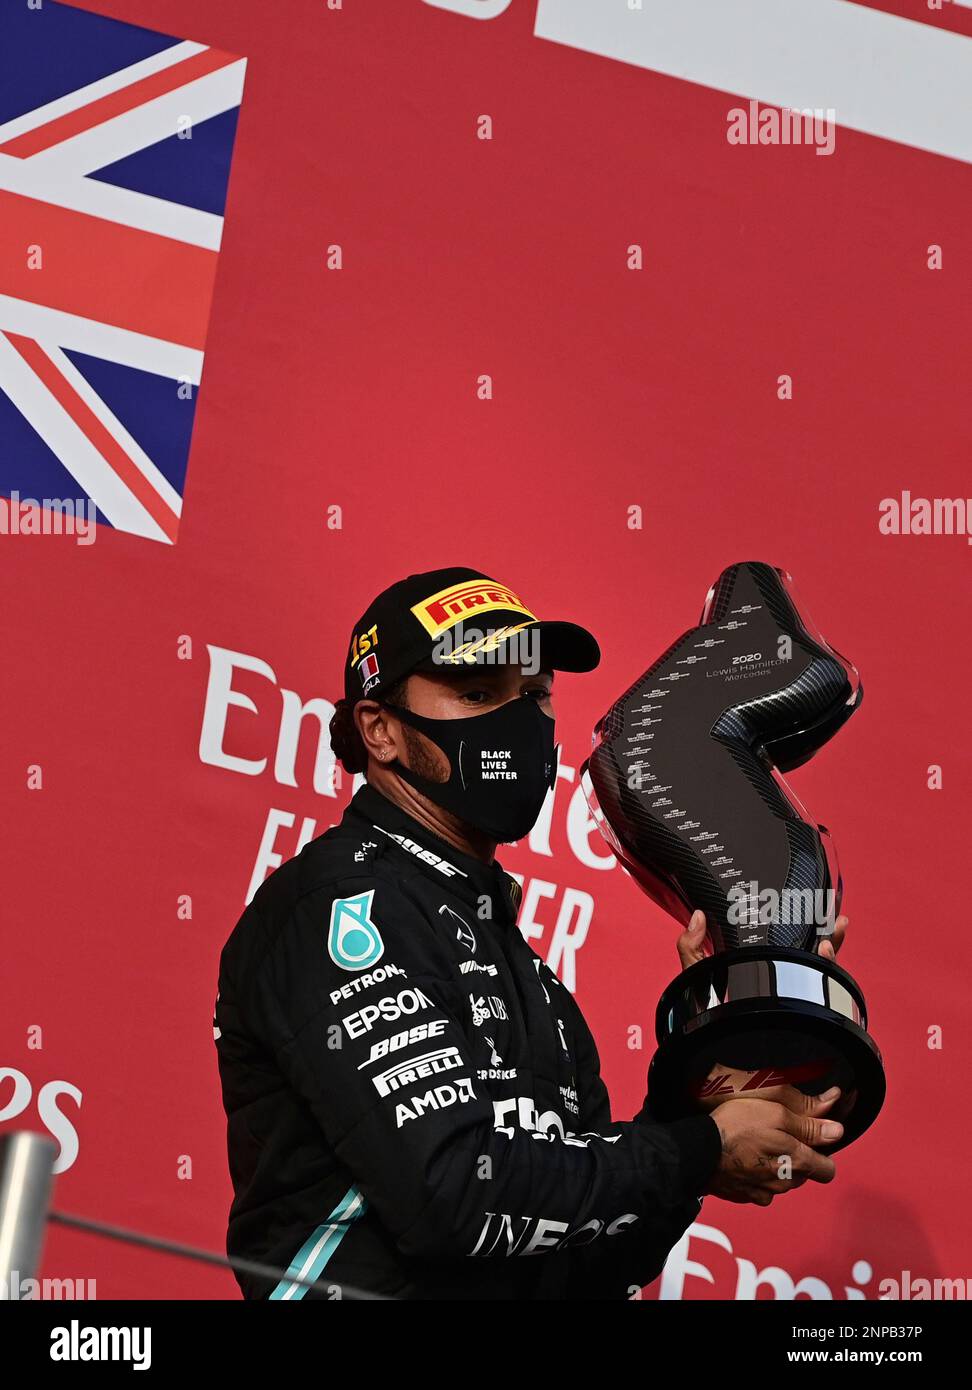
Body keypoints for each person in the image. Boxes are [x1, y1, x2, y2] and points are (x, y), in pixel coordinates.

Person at [213, 567, 847, 1300]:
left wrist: (707, 1070)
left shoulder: (531, 980)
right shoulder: (338, 905)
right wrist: (699, 1147)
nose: (518, 722)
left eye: (536, 695)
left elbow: (593, 1264)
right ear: (379, 730)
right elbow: (448, 1195)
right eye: (479, 693)